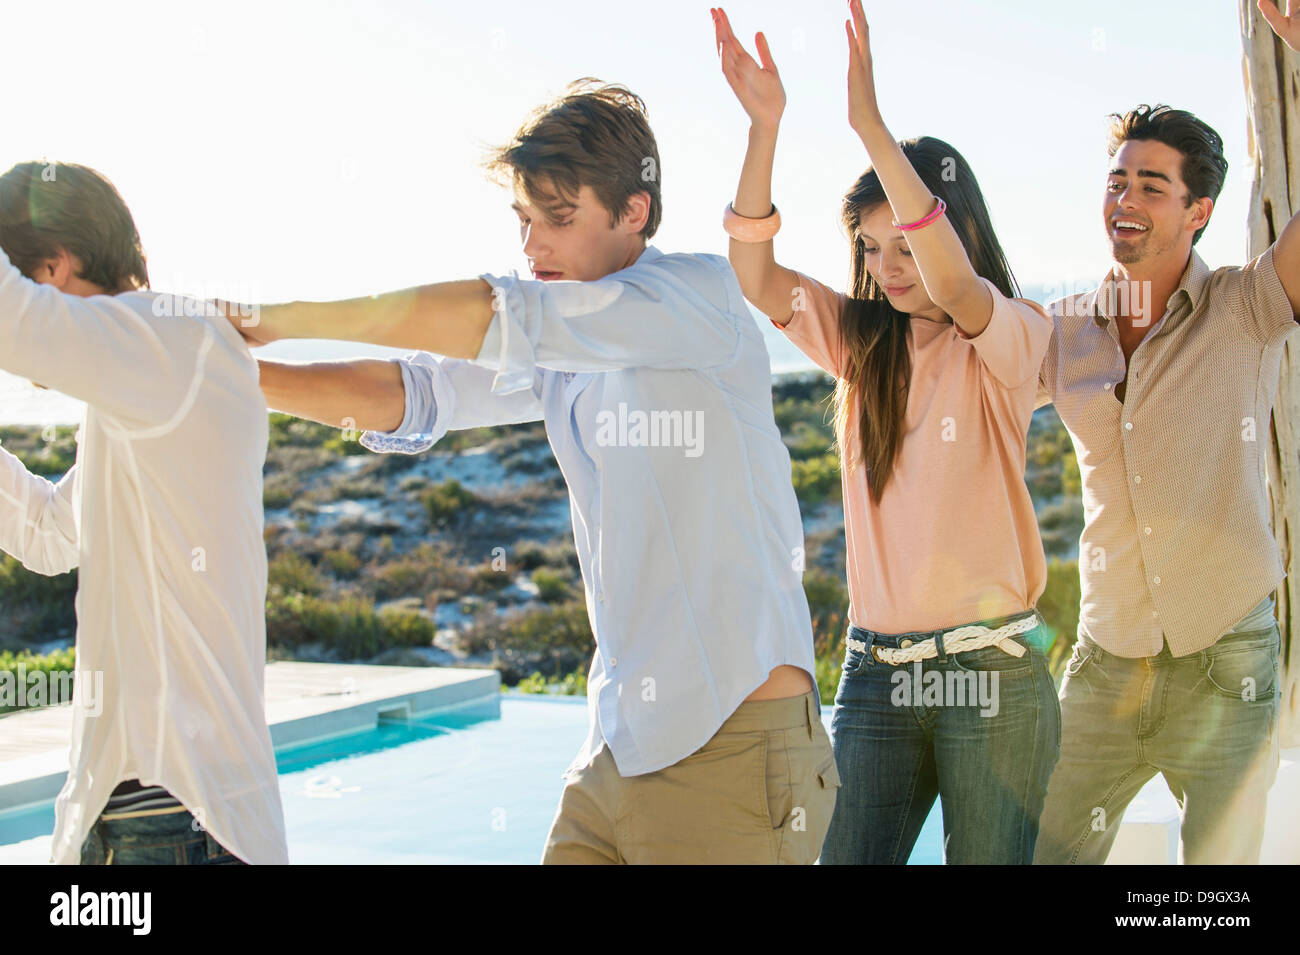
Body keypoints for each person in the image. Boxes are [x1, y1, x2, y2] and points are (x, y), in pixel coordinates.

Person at [237, 78, 839, 864]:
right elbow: (419, 393)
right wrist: (237, 374)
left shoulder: (698, 299)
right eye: (524, 220)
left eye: (558, 218)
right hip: (618, 748)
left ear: (636, 211)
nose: (533, 248)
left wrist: (282, 317)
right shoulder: (561, 334)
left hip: (734, 748)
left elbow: (493, 315)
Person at [712, 2, 1058, 864]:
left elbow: (957, 281)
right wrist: (766, 128)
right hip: (875, 676)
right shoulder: (862, 345)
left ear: (955, 228)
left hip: (996, 675)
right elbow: (754, 273)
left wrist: (871, 127)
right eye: (869, 248)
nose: (887, 267)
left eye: (902, 242)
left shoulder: (1012, 334)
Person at [1032, 8, 1300, 864]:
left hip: (1229, 661)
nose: (1126, 199)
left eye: (1152, 185)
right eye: (1118, 182)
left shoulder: (1246, 307)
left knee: (1218, 892)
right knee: (1049, 854)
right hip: (1105, 664)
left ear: (1199, 211)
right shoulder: (1068, 328)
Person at [0, 161, 287, 865]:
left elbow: (14, 322)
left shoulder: (171, 338)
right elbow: (48, 535)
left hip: (175, 819)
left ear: (54, 266)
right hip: (145, 817)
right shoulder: (148, 383)